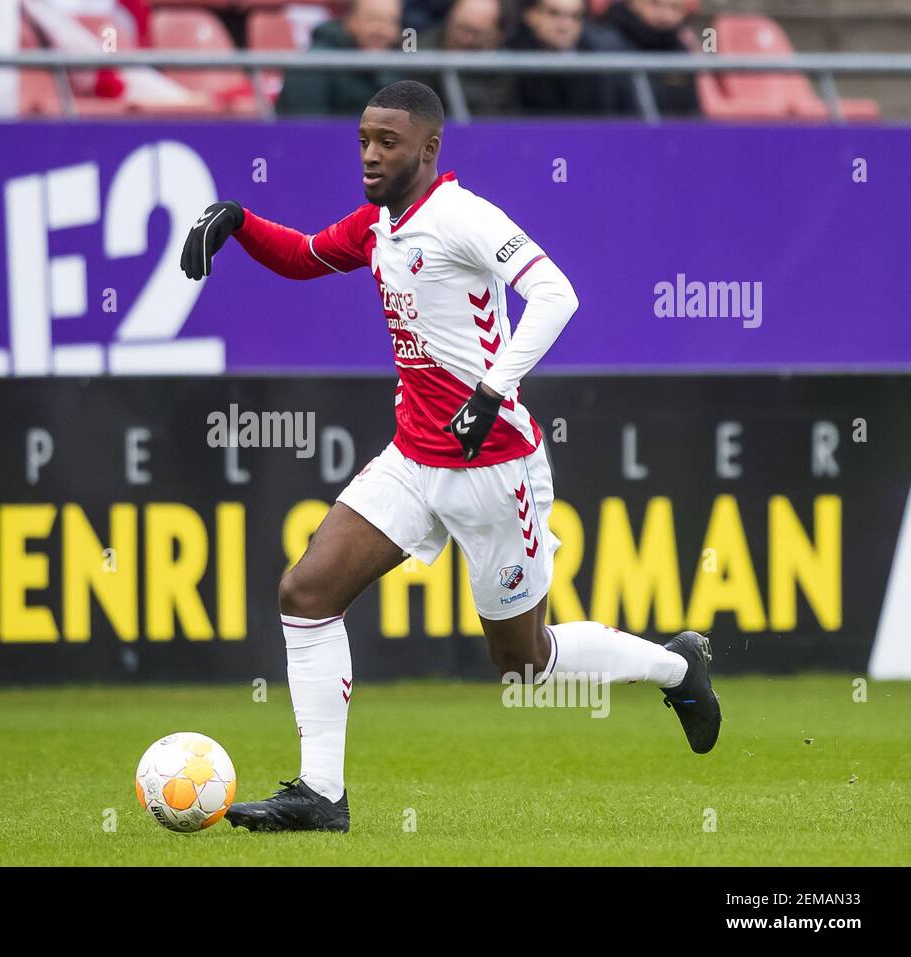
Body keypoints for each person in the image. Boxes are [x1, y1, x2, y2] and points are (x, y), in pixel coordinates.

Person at [179, 80, 721, 833]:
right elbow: (305, 256)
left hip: (493, 467)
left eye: (389, 142)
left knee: (523, 662)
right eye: (366, 138)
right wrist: (238, 222)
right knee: (306, 591)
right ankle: (319, 794)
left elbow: (558, 293)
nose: (371, 153)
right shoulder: (379, 225)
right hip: (414, 456)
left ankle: (677, 666)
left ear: (429, 148)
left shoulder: (464, 219)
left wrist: (493, 392)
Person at [276, 0, 409, 116]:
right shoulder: (314, 66)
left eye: (391, 22)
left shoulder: (401, 67)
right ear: (351, 20)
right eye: (373, 19)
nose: (382, 30)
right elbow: (307, 131)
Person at [504, 0, 634, 116]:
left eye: (575, 16)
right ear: (530, 15)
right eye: (554, 13)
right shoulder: (507, 60)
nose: (565, 25)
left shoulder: (600, 64)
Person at [593, 0, 699, 116]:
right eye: (656, 4)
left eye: (675, 8)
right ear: (634, 3)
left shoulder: (681, 52)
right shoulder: (602, 45)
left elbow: (691, 114)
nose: (665, 16)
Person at [419, 0, 516, 116]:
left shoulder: (512, 66)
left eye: (476, 33)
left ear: (500, 35)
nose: (465, 39)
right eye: (460, 28)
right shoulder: (422, 55)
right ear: (450, 17)